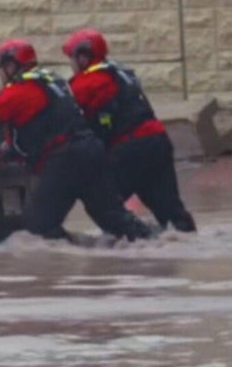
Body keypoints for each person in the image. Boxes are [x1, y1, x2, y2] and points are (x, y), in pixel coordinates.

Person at [0, 39, 155, 242]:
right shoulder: (51, 82)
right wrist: (0, 157)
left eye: (1, 69)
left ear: (11, 66)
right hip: (91, 152)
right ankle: (156, 241)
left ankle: (70, 263)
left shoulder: (17, 91)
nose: (0, 75)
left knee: (37, 231)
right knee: (114, 220)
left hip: (65, 161)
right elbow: (39, 131)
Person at [61, 29, 197, 232]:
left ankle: (138, 240)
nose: (71, 64)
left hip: (131, 149)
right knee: (170, 210)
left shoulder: (88, 82)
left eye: (71, 58)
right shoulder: (120, 73)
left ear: (83, 57)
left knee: (103, 203)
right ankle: (185, 242)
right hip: (158, 142)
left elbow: (66, 116)